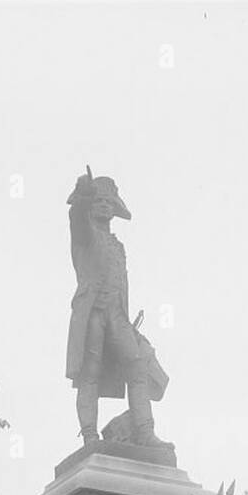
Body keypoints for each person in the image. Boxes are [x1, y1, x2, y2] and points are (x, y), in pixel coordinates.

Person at [65, 169, 169, 448]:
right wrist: (83, 193)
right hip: (92, 316)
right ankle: (89, 436)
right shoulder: (84, 236)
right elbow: (77, 218)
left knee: (137, 367)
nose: (103, 205)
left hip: (117, 316)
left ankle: (145, 432)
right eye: (98, 200)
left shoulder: (118, 245)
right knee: (90, 374)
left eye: (108, 202)